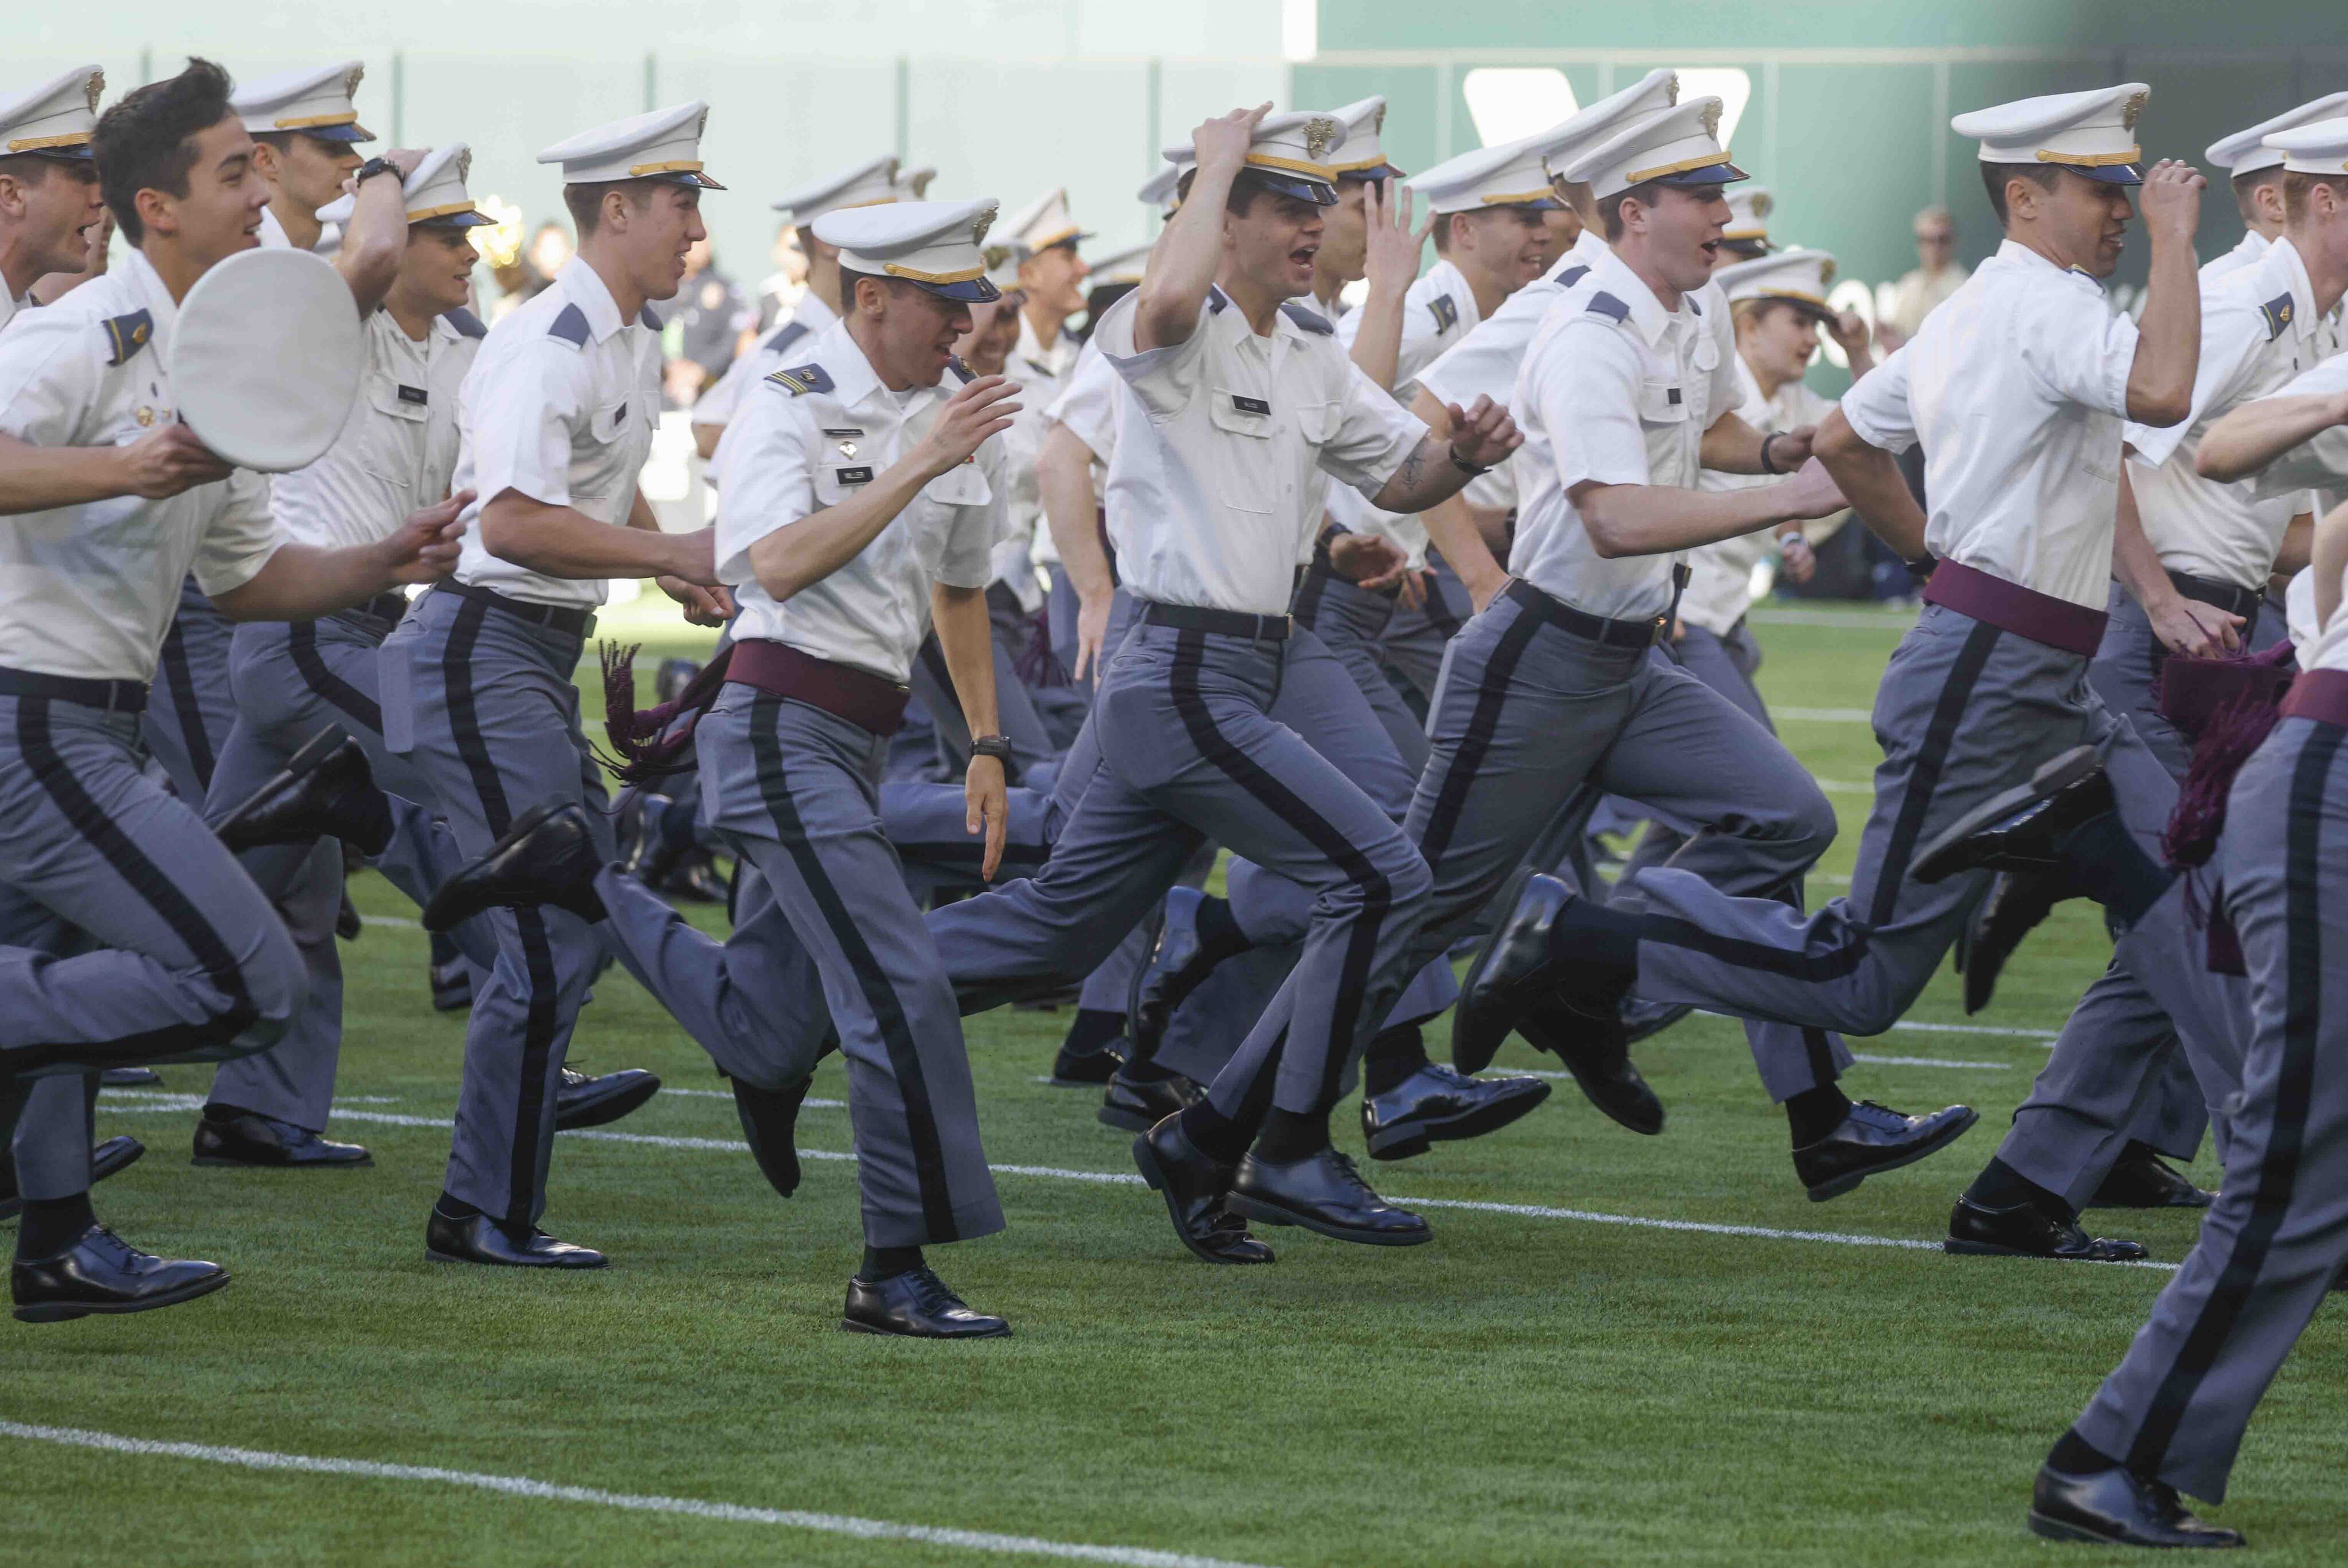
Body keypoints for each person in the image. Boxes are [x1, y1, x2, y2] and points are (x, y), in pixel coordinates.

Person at [1470, 85, 2205, 1210]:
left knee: (2183, 888)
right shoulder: (2040, 304)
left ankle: (2059, 1182)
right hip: (1992, 671)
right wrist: (2169, 237)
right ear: (2023, 195)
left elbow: (1846, 441)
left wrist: (1927, 558)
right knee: (1858, 975)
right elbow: (2158, 387)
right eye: (2101, 187)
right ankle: (1581, 931)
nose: (2118, 205)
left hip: (2032, 669)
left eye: (2125, 188)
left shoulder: (1982, 306)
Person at [920, 103, 1519, 1259]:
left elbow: (1399, 471)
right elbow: (1149, 311)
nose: (1314, 221)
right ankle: (1280, 1142)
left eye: (1316, 203)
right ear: (1225, 219)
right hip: (1182, 668)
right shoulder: (1167, 330)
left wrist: (1463, 458)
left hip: (1238, 667)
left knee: (1053, 934)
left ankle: (818, 988)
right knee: (1383, 877)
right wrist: (1209, 167)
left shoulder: (1306, 351)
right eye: (1286, 202)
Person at [428, 198, 1023, 1338]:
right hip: (778, 728)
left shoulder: (952, 418)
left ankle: (581, 877)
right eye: (944, 306)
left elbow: (960, 591)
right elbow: (775, 565)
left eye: (969, 304)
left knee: (765, 1032)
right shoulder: (787, 398)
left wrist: (987, 741)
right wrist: (918, 461)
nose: (963, 327)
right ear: (873, 297)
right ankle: (891, 1270)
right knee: (897, 985)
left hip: (857, 739)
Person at [0, 57, 461, 1321]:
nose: (260, 187)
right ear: (157, 206)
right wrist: (122, 467)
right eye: (234, 168)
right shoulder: (89, 331)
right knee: (240, 977)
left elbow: (250, 577)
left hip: (81, 721)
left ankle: (54, 1244)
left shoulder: (214, 356)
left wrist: (385, 558)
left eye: (260, 162)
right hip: (36, 723)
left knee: (48, 974)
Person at [1943, 109, 2346, 1269]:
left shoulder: (2308, 314)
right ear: (2307, 197)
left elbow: (2249, 506)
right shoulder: (2242, 301)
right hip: (2149, 628)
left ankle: (2041, 1178)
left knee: (2190, 912)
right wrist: (2163, 603)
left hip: (2211, 630)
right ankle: (2269, 1195)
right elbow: (2111, 447)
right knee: (2200, 911)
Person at [378, 99, 730, 1270]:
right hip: (485, 649)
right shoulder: (555, 338)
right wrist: (673, 554)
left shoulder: (622, 338)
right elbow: (519, 521)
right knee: (544, 940)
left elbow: (588, 479)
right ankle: (481, 1214)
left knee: (567, 917)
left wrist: (667, 558)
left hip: (525, 656)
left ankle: (487, 1201)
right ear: (617, 209)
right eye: (680, 203)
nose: (694, 228)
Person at [692, 155, 894, 465]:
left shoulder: (884, 342)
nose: (897, 242)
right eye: (874, 226)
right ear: (827, 241)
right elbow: (709, 431)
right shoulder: (783, 357)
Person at [2200, 95, 2348, 281]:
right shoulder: (2221, 287)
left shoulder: (2325, 275)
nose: (2331, 203)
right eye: (2303, 185)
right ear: (2272, 203)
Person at [661, 233, 747, 406]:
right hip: (663, 391)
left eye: (707, 241)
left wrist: (700, 370)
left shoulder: (725, 288)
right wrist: (670, 368)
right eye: (697, 241)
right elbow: (646, 333)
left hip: (711, 393)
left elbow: (734, 338)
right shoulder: (659, 288)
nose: (704, 247)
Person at [1877, 203, 1966, 350]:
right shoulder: (1909, 283)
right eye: (1927, 240)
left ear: (1953, 241)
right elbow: (1899, 329)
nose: (1934, 248)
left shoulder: (1963, 288)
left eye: (1942, 240)